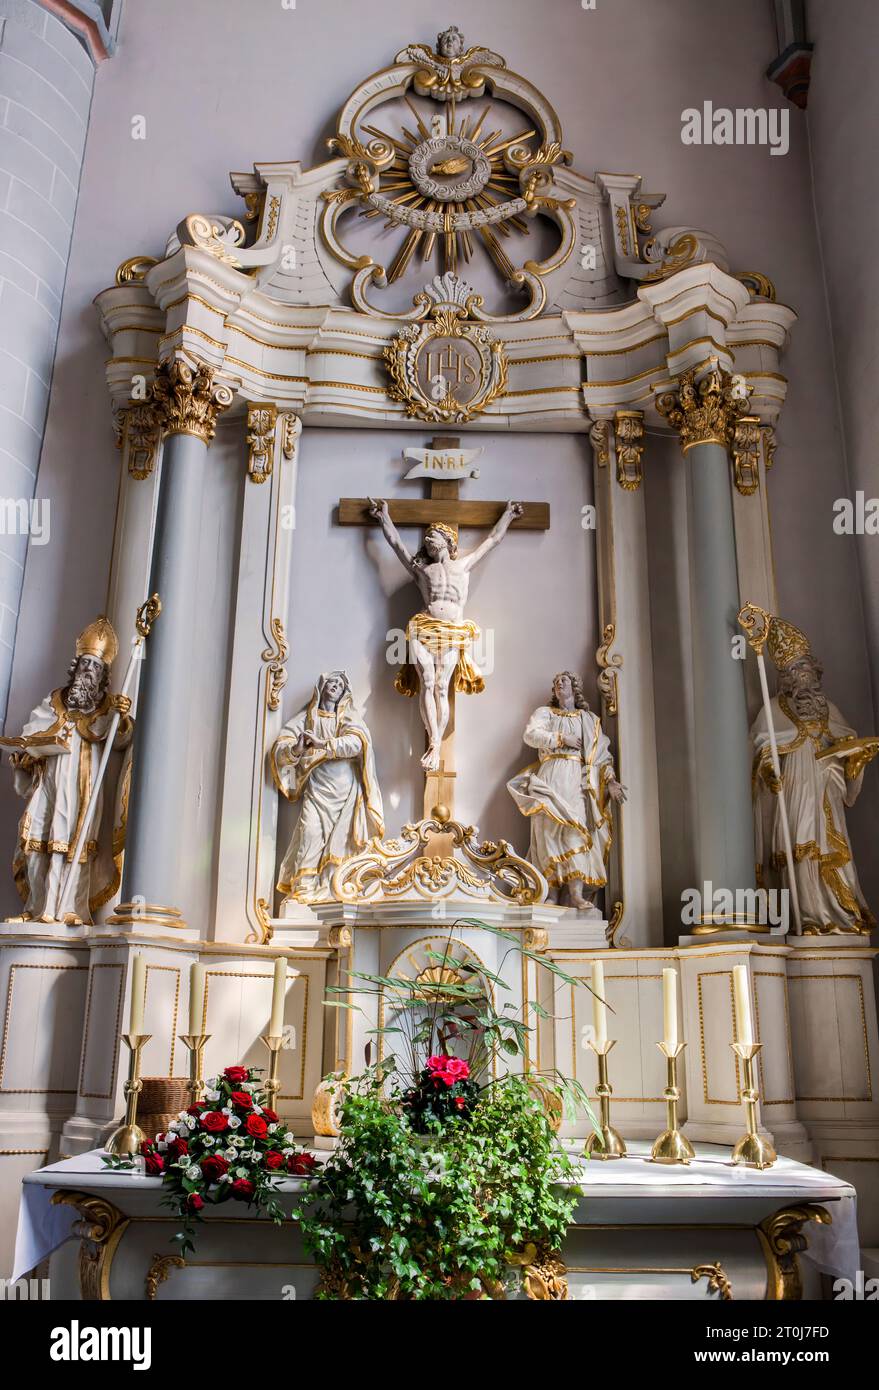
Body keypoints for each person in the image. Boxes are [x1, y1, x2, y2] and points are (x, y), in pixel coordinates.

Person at [3, 615, 132, 924]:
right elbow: (31, 732)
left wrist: (121, 717)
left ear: (102, 676)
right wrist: (26, 753)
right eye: (85, 665)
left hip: (81, 785)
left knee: (74, 845)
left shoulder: (105, 707)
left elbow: (119, 738)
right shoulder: (56, 700)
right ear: (76, 667)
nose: (88, 673)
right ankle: (38, 908)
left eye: (95, 668)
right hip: (49, 780)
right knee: (39, 840)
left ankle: (70, 909)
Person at [508, 671, 625, 910]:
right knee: (548, 831)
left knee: (576, 830)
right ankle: (550, 893)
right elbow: (531, 735)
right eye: (556, 682)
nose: (559, 684)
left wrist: (611, 781)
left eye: (564, 680)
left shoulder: (589, 719)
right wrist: (561, 738)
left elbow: (602, 756)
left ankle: (576, 894)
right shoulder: (545, 713)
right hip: (550, 775)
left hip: (577, 779)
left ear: (575, 687)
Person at [270, 671, 384, 903]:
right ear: (322, 687)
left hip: (345, 791)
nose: (334, 686)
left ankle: (333, 887)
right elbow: (281, 751)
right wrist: (297, 749)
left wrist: (325, 744)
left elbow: (357, 744)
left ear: (344, 693)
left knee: (342, 840)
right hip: (317, 788)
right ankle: (303, 888)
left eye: (339, 684)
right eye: (331, 682)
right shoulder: (306, 719)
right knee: (309, 832)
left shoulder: (349, 718)